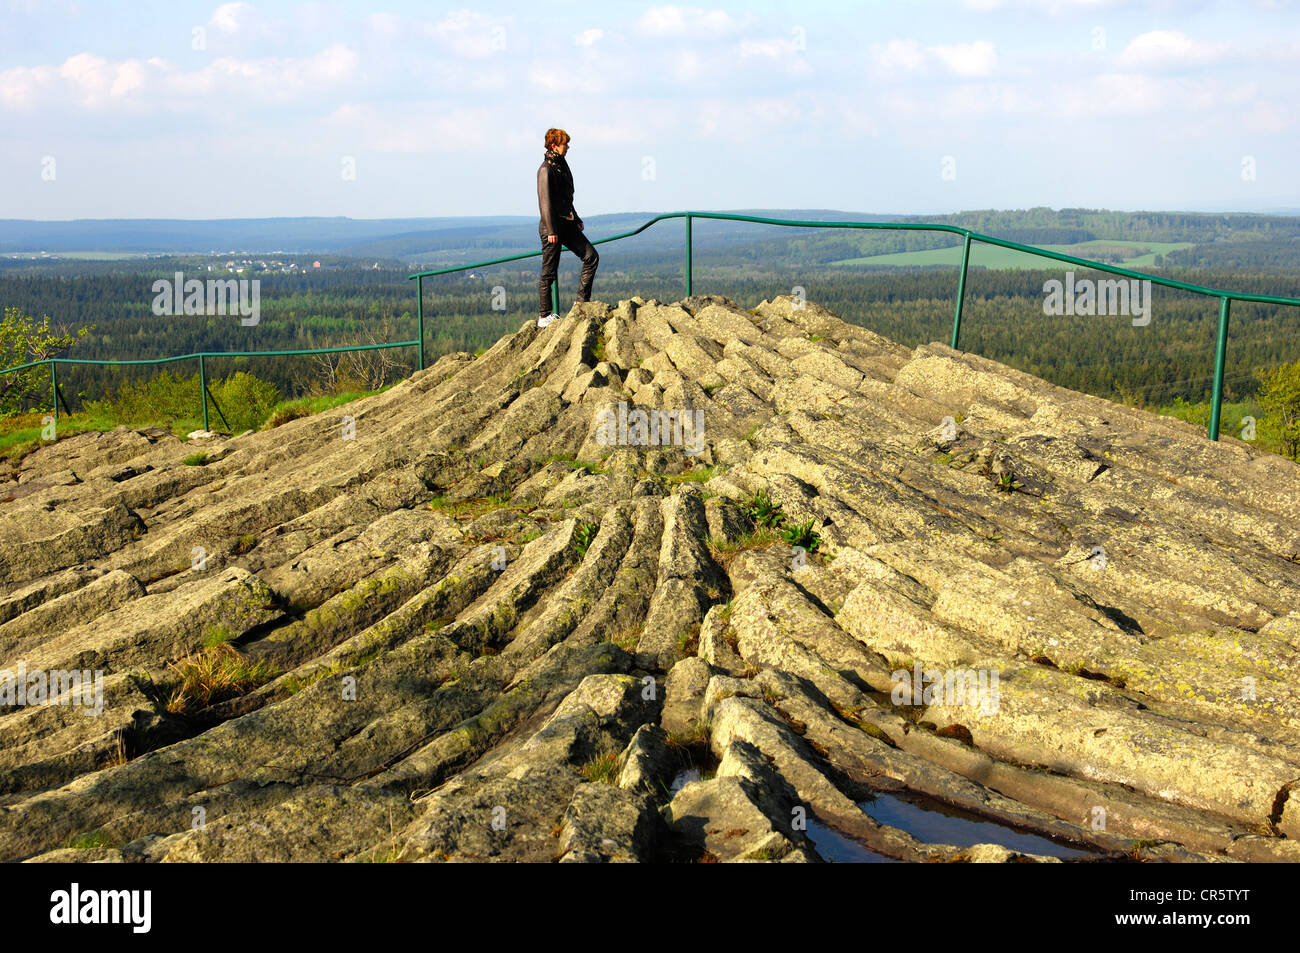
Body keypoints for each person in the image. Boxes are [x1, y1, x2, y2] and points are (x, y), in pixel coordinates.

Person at [536, 128, 598, 328]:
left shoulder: (561, 166)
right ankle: (544, 316)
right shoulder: (545, 169)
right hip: (552, 228)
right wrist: (552, 231)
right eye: (565, 144)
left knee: (591, 257)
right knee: (549, 272)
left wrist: (576, 218)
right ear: (554, 146)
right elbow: (545, 203)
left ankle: (581, 304)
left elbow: (565, 198)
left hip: (567, 223)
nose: (568, 147)